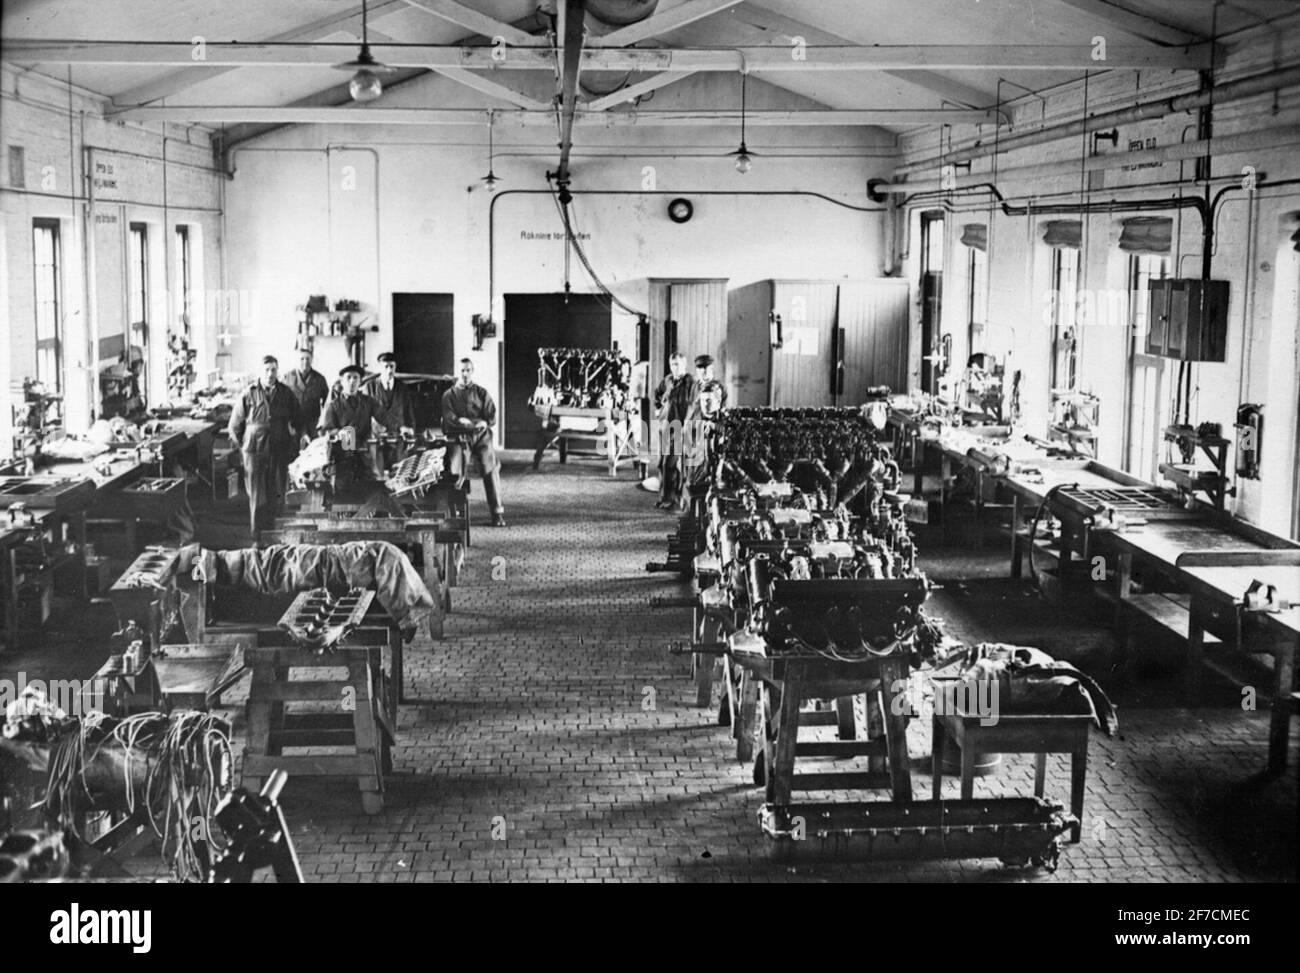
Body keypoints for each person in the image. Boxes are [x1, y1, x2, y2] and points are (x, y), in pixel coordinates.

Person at [228, 355, 303, 540]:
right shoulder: (248, 393)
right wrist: (245, 445)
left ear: (278, 371)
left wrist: (291, 442)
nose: (270, 374)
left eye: (274, 370)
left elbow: (299, 419)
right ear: (261, 372)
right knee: (256, 495)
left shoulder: (286, 393)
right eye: (267, 370)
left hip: (278, 449)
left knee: (277, 492)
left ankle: (275, 536)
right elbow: (234, 426)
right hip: (254, 451)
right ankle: (257, 537)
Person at [441, 357, 505, 527]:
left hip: (481, 435)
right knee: (456, 472)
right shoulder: (449, 395)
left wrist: (485, 422)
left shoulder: (481, 392)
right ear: (457, 371)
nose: (465, 374)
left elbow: (491, 414)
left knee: (490, 468)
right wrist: (459, 421)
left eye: (468, 370)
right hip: (459, 436)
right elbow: (448, 417)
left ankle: (497, 512)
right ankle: (456, 514)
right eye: (462, 370)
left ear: (472, 371)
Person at [318, 364, 404, 491]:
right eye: (348, 378)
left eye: (355, 378)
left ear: (360, 382)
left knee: (370, 491)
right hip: (342, 459)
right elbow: (327, 430)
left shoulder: (368, 402)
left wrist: (401, 427)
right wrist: (339, 433)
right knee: (343, 497)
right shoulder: (334, 406)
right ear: (342, 381)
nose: (352, 381)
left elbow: (385, 417)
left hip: (364, 457)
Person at [654, 353, 695, 509]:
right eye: (672, 364)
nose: (675, 368)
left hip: (679, 429)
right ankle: (664, 496)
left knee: (671, 464)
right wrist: (657, 410)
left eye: (677, 364)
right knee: (661, 464)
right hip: (665, 427)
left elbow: (693, 406)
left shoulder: (690, 383)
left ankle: (672, 499)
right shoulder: (668, 380)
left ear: (684, 364)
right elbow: (657, 394)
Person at [365, 352, 417, 471]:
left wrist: (411, 433)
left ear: (395, 367)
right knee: (378, 476)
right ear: (379, 367)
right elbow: (364, 415)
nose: (389, 370)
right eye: (386, 366)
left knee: (399, 474)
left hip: (399, 440)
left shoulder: (402, 387)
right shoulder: (369, 387)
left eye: (392, 366)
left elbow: (409, 413)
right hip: (377, 440)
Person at [682, 379, 725, 510]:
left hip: (720, 474)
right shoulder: (694, 420)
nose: (705, 404)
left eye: (709, 400)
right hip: (697, 473)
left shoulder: (725, 420)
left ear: (718, 402)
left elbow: (729, 432)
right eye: (702, 400)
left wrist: (714, 426)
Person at [283, 347, 330, 446]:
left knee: (312, 454)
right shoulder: (287, 378)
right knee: (293, 454)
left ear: (312, 360)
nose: (305, 362)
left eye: (308, 359)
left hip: (312, 424)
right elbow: (281, 403)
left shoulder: (320, 379)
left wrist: (323, 424)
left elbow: (327, 405)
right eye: (302, 359)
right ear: (297, 360)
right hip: (293, 424)